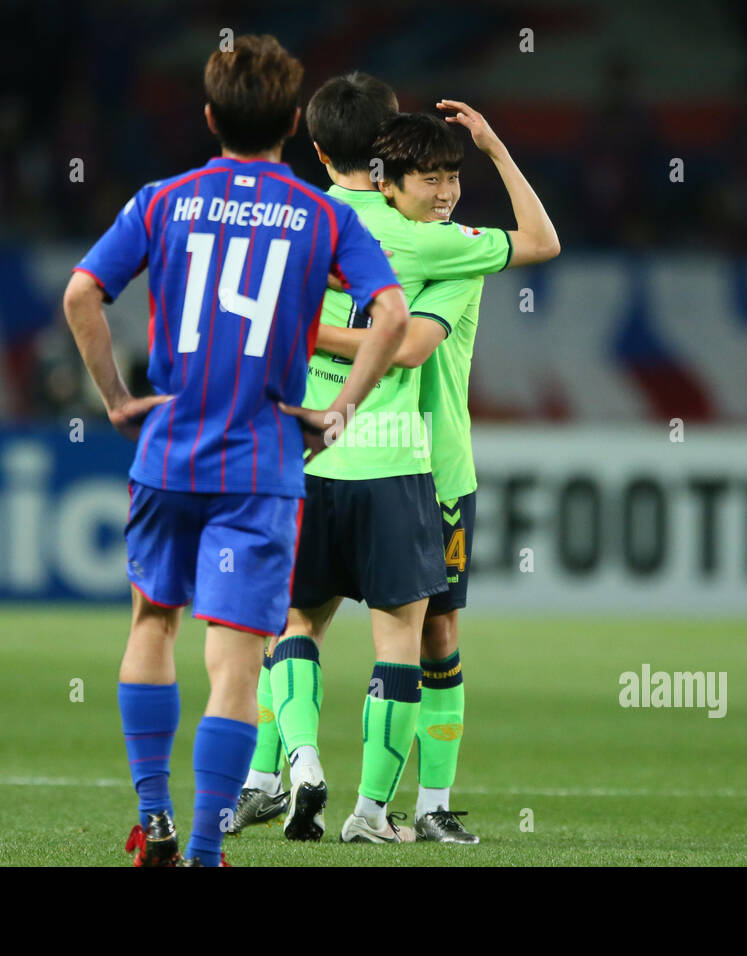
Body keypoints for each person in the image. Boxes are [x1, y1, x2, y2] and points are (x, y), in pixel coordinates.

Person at [62, 36, 408, 867]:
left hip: (170, 450)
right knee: (238, 661)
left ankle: (156, 817)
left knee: (153, 619)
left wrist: (115, 399)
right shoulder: (321, 214)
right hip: (261, 465)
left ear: (211, 117)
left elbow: (82, 292)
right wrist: (339, 409)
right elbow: (389, 315)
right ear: (294, 122)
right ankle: (210, 850)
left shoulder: (163, 198)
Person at [231, 77, 558, 846]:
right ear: (385, 161)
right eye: (433, 176)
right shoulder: (446, 244)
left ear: (318, 148)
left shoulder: (294, 218)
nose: (445, 191)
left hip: (309, 448)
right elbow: (424, 332)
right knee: (418, 636)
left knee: (290, 624)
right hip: (415, 462)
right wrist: (496, 148)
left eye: (453, 178)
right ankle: (370, 804)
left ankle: (282, 777)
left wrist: (298, 329)